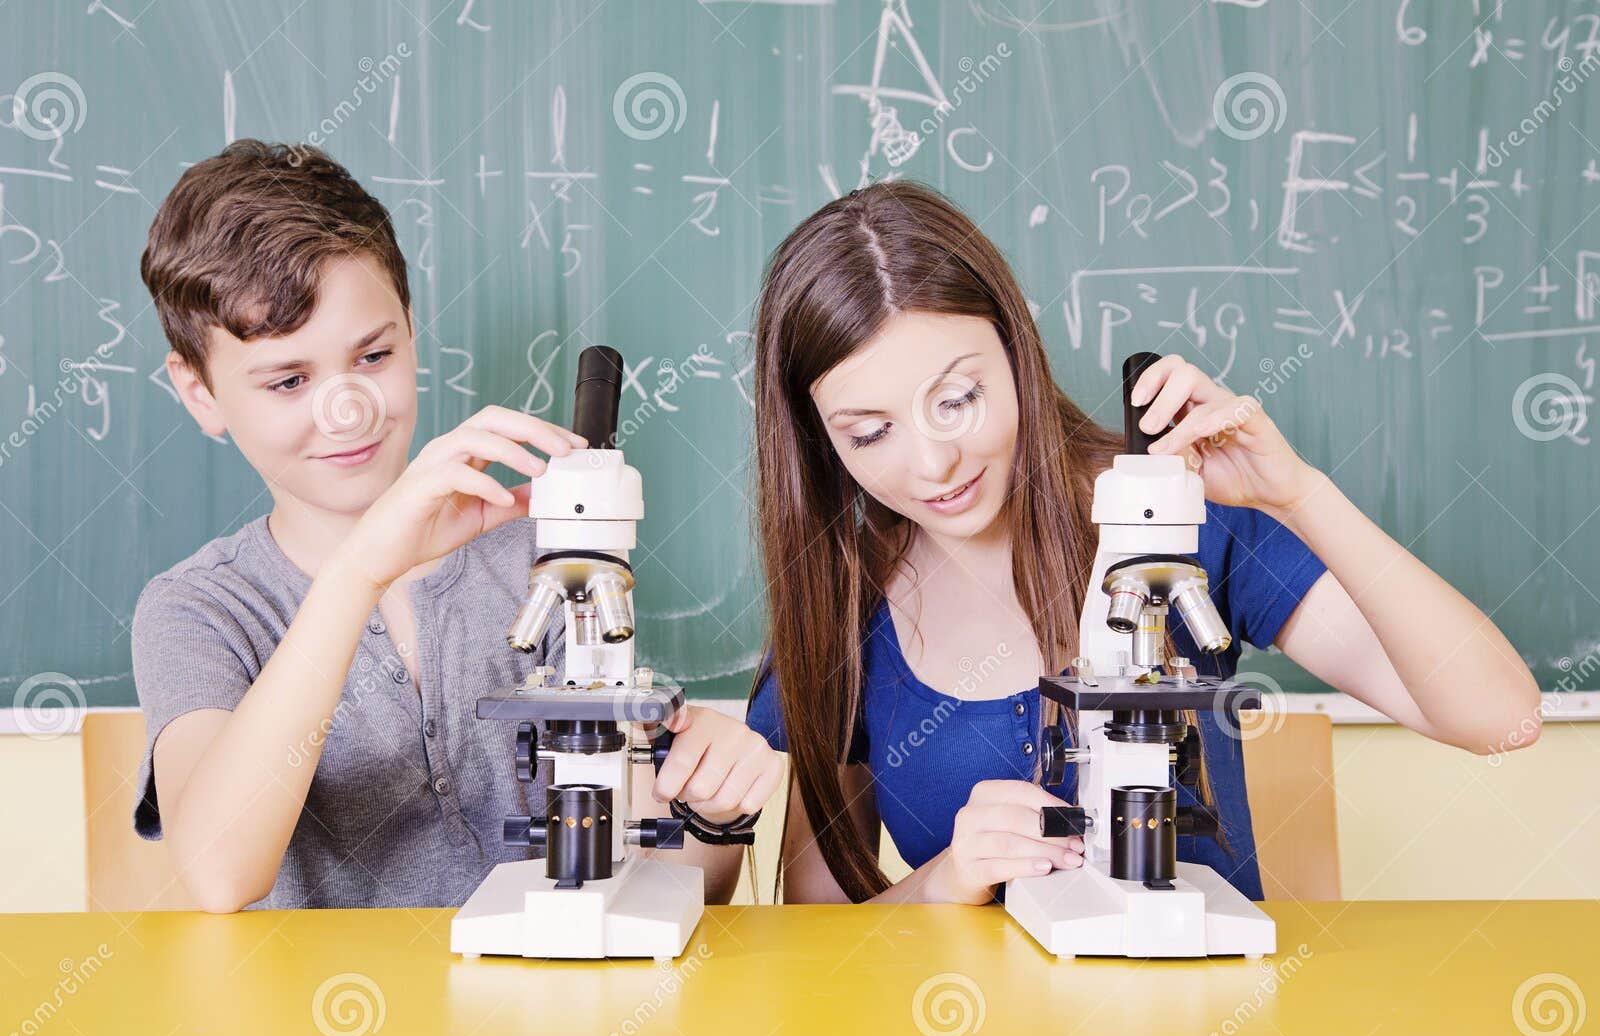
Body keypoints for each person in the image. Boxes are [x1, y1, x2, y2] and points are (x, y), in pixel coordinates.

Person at [745, 181, 1541, 905]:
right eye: (871, 432)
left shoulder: (1180, 513)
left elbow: (1501, 718)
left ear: (1015, 348)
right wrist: (944, 882)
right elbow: (822, 933)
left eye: (956, 399)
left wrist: (1298, 494)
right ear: (821, 440)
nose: (933, 462)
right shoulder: (842, 609)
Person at [131, 141, 783, 913]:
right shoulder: (197, 611)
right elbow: (220, 873)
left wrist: (711, 808)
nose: (348, 411)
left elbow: (664, 879)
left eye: (373, 355)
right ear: (200, 391)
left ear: (411, 331)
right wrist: (360, 571)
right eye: (289, 380)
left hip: (541, 989)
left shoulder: (543, 564)